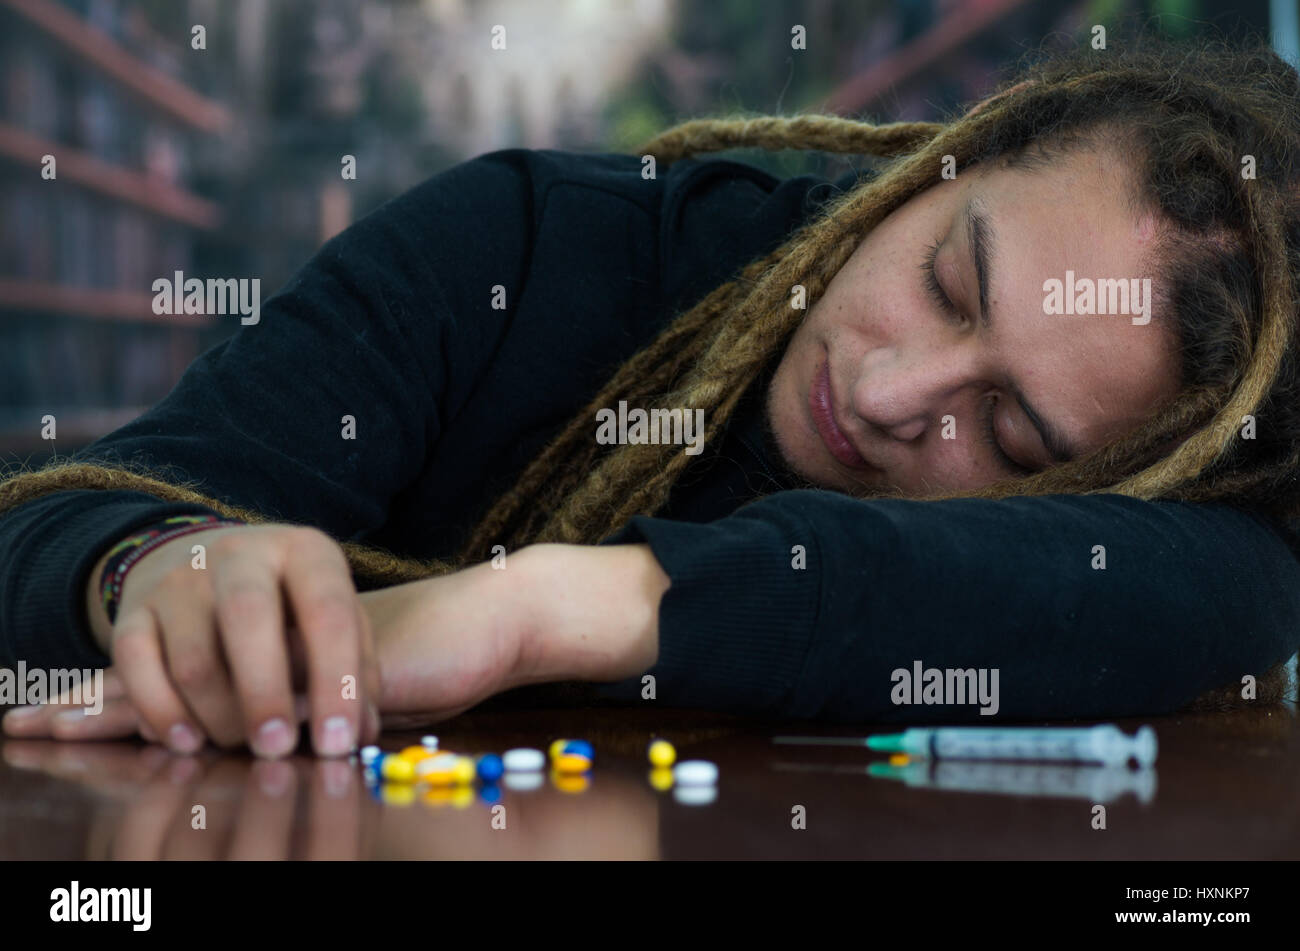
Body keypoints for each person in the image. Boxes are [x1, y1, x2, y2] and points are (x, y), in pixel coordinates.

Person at [3, 39, 1300, 758]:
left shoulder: (1180, 561)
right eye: (951, 280)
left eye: (1012, 435)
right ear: (940, 163)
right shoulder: (522, 248)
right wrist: (160, 574)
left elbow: (1238, 583)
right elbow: (57, 526)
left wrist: (550, 606)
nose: (898, 391)